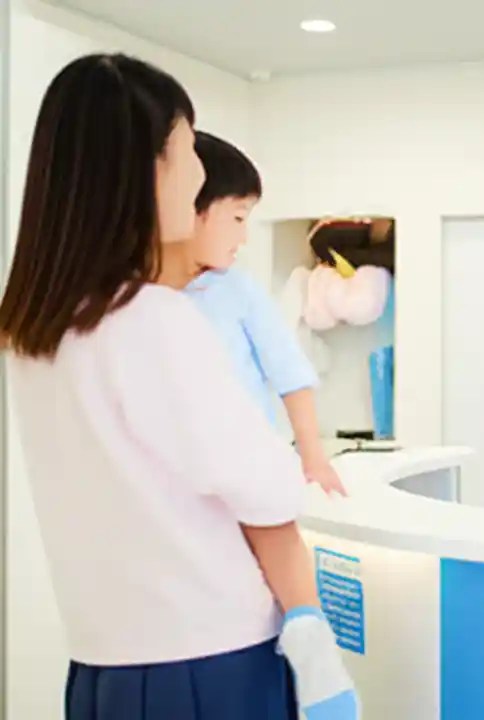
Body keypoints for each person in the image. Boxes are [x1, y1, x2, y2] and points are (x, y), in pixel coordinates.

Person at [0, 54, 357, 719]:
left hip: (103, 664)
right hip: (208, 660)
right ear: (146, 169)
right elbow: (268, 492)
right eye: (188, 148)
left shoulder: (30, 330)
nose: (197, 175)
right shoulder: (154, 320)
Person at [157, 130, 346, 496]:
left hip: (250, 471)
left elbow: (291, 375)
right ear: (189, 210)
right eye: (238, 219)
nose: (243, 238)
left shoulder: (238, 291)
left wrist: (314, 460)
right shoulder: (142, 300)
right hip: (180, 480)